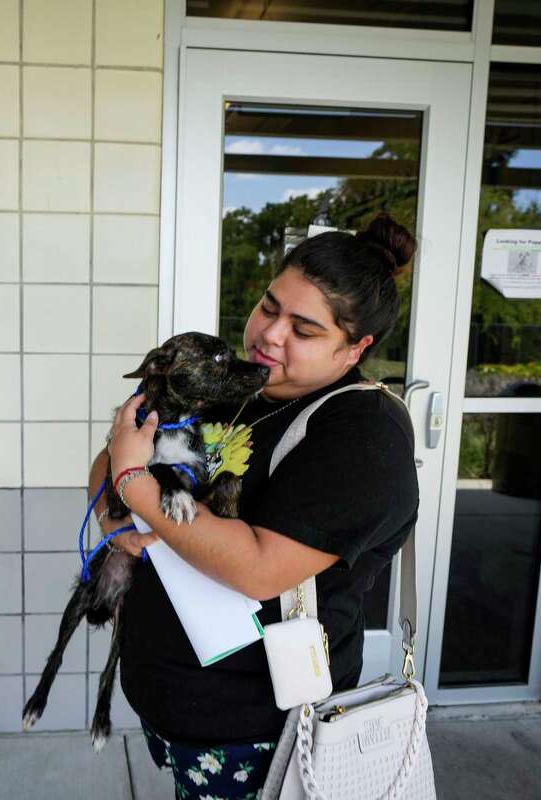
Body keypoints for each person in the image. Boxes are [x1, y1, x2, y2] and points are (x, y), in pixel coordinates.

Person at [88, 213, 420, 799]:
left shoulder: (363, 432)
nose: (269, 335)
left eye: (304, 329)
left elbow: (258, 567)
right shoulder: (238, 388)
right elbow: (112, 456)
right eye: (269, 307)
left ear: (355, 347)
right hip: (175, 707)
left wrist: (138, 487)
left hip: (257, 734)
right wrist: (120, 525)